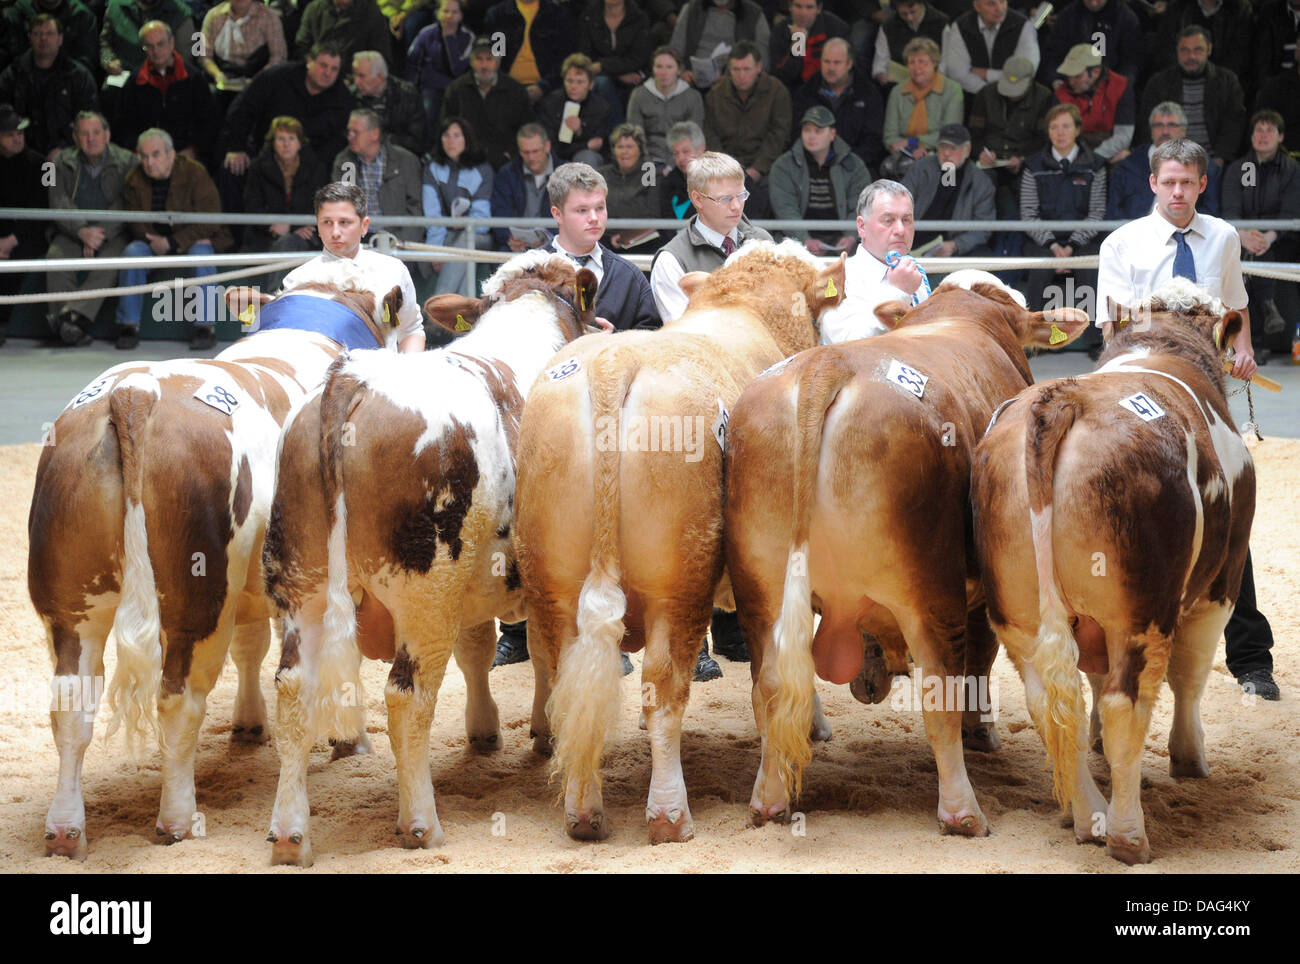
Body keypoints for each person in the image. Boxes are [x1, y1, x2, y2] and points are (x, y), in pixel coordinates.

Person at [1094, 137, 1278, 701]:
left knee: (1227, 503)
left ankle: (1251, 659)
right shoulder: (1122, 243)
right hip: (1141, 388)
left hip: (1205, 390)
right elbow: (1114, 328)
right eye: (1168, 182)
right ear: (1152, 183)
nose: (1178, 192)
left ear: (1202, 184)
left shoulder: (1221, 237)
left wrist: (1240, 346)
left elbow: (1235, 306)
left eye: (1188, 182)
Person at [227, 181, 426, 352]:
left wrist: (405, 374)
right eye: (327, 222)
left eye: (345, 222)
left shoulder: (392, 270)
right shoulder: (299, 279)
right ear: (318, 225)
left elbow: (411, 330)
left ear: (364, 225)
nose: (335, 232)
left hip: (378, 387)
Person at [117, 129, 235, 352]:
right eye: (144, 156)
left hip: (189, 239)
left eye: (156, 155)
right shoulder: (134, 178)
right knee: (132, 252)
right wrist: (153, 240)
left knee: (201, 255)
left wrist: (172, 242)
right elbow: (133, 221)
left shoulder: (195, 173)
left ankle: (205, 328)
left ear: (171, 155)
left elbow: (211, 219)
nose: (149, 162)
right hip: (151, 242)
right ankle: (128, 326)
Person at [44, 111, 136, 347]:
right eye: (83, 133)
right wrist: (82, 231)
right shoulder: (57, 163)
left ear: (107, 135)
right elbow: (57, 201)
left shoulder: (129, 161)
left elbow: (127, 202)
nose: (90, 139)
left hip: (113, 233)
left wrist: (98, 234)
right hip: (72, 231)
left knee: (116, 259)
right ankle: (68, 324)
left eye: (96, 133)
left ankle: (71, 317)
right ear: (75, 138)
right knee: (55, 257)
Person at [649, 149, 771, 321]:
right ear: (697, 199)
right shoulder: (671, 260)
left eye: (742, 195)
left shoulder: (763, 241)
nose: (736, 206)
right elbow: (684, 335)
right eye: (726, 199)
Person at [1221, 110, 1300, 362]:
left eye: (1269, 130)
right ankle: (1267, 309)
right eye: (1258, 130)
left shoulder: (1291, 169)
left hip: (1281, 239)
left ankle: (1253, 339)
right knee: (1242, 253)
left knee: (1258, 255)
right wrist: (1244, 235)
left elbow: (1291, 212)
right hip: (1242, 238)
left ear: (1281, 137)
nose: (1263, 135)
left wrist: (1267, 237)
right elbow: (1231, 209)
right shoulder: (1240, 168)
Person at [1020, 103, 1104, 324]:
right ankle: (1031, 336)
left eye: (1066, 126)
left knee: (1089, 265)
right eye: (1054, 127)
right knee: (1040, 266)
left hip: (1083, 241)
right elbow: (1028, 214)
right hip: (1043, 241)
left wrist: (1072, 247)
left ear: (1077, 129)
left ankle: (1095, 339)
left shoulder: (1095, 165)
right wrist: (1054, 247)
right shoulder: (1033, 165)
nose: (1060, 133)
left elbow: (1097, 213)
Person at [816, 178, 927, 344]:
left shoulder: (913, 270)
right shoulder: (836, 279)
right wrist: (899, 294)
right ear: (862, 227)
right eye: (888, 220)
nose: (900, 230)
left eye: (906, 220)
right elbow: (843, 347)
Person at [221, 42, 357, 178]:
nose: (328, 73)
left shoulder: (343, 99)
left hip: (313, 162)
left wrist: (309, 164)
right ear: (309, 62)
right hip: (265, 151)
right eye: (323, 65)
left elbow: (340, 139)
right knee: (231, 168)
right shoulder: (277, 77)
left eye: (334, 69)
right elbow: (244, 106)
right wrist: (236, 146)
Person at [1137, 26, 1246, 175]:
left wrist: (1220, 159)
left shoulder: (1227, 81)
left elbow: (1234, 124)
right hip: (1169, 162)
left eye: (1198, 50)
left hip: (1214, 162)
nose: (1191, 56)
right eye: (1185, 50)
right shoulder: (1159, 83)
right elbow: (1147, 127)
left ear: (1209, 49)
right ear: (1177, 51)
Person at [703, 41, 793, 218]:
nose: (741, 75)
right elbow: (710, 133)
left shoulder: (776, 91)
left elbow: (779, 135)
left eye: (746, 69)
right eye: (736, 70)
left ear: (758, 67)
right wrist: (726, 169)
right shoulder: (716, 94)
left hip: (765, 167)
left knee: (773, 187)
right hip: (725, 167)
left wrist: (757, 169)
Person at [242, 115, 331, 291]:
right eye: (281, 139)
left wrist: (290, 227)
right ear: (272, 142)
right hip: (265, 234)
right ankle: (277, 298)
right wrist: (273, 226)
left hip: (307, 233)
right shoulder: (258, 168)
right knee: (286, 242)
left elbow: (322, 206)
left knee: (290, 242)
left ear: (300, 142)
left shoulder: (315, 168)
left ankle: (275, 296)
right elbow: (252, 206)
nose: (286, 144)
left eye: (291, 139)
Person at [768, 105, 871, 255]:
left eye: (818, 131)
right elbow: (785, 209)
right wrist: (804, 239)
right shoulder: (783, 166)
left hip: (844, 239)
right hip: (797, 241)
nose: (811, 136)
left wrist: (850, 236)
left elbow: (861, 205)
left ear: (832, 134)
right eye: (807, 130)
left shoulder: (854, 165)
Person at [116, 21, 218, 164]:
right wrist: (137, 149)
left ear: (172, 43)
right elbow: (125, 124)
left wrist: (193, 149)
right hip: (147, 155)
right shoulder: (136, 81)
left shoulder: (193, 78)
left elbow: (208, 122)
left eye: (161, 44)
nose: (156, 51)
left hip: (185, 155)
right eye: (150, 46)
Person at [0, 13, 98, 159]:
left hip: (68, 153)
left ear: (60, 39)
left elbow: (90, 118)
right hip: (21, 152)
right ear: (30, 38)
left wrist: (65, 146)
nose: (43, 38)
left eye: (49, 33)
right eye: (37, 33)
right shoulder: (12, 74)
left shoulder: (78, 76)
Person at [332, 108, 425, 258]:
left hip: (397, 239)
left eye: (355, 132)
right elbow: (339, 206)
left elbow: (416, 206)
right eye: (349, 132)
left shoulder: (406, 161)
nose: (350, 137)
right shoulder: (343, 161)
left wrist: (402, 241)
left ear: (374, 134)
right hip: (358, 241)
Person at [969, 54, 1049, 222]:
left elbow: (1043, 139)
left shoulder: (1044, 98)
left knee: (1031, 187)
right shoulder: (985, 94)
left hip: (1025, 162)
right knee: (979, 184)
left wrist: (1023, 158)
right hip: (988, 162)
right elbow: (974, 133)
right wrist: (980, 152)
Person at [1108, 102, 1223, 220]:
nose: (1164, 131)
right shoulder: (1128, 166)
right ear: (1151, 131)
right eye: (1158, 125)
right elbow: (1113, 214)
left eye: (1172, 125)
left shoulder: (1204, 166)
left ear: (1184, 130)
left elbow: (1211, 212)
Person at [422, 115, 493, 295]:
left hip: (478, 236)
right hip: (447, 235)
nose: (450, 141)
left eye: (457, 136)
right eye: (446, 135)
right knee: (463, 259)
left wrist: (461, 223)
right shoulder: (433, 167)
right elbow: (432, 215)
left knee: (464, 241)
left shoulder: (482, 169)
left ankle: (438, 305)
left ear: (467, 139)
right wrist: (436, 251)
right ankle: (459, 319)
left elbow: (482, 222)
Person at [790, 36, 885, 170]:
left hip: (855, 167)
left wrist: (846, 163)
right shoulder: (806, 92)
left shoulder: (868, 93)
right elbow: (797, 134)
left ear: (849, 64)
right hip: (812, 166)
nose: (831, 68)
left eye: (837, 63)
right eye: (826, 62)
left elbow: (873, 140)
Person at [902, 121, 994, 257]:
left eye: (953, 148)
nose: (946, 153)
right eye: (943, 146)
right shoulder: (921, 169)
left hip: (953, 248)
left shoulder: (981, 183)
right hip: (911, 240)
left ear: (967, 150)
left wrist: (955, 245)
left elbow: (983, 229)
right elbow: (899, 205)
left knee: (983, 255)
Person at [439, 36, 534, 167]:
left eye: (489, 59)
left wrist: (510, 154)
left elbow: (526, 128)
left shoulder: (516, 91)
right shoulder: (456, 89)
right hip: (466, 160)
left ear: (498, 62)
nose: (484, 65)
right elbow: (445, 126)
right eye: (479, 59)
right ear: (471, 62)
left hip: (506, 162)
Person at [881, 36, 962, 179]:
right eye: (912, 62)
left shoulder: (952, 90)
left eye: (922, 62)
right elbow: (889, 136)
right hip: (905, 156)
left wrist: (916, 142)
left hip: (943, 153)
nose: (917, 68)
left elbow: (951, 134)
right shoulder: (897, 92)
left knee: (942, 173)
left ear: (935, 63)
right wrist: (910, 149)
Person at [0, 104, 47, 345]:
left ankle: (3, 323)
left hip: (26, 235)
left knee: (21, 257)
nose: (17, 138)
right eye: (10, 134)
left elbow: (42, 210)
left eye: (20, 133)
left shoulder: (42, 164)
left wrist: (10, 241)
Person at [1052, 42, 1134, 165]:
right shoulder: (1061, 94)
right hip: (1072, 152)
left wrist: (1095, 157)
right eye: (1069, 76)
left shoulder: (1120, 87)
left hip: (1109, 152)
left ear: (1095, 72)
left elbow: (1123, 136)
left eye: (1077, 76)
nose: (1071, 82)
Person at [939, 0, 1039, 97]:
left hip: (1016, 99)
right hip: (973, 99)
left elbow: (1026, 71)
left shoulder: (1023, 25)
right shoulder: (960, 26)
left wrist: (987, 74)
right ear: (977, 6)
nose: (999, 9)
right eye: (991, 4)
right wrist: (990, 94)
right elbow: (958, 73)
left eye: (1002, 2)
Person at [627, 47, 705, 168]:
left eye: (669, 67)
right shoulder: (639, 94)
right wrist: (648, 163)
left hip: (681, 159)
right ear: (653, 69)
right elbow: (635, 135)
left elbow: (694, 136)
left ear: (678, 70)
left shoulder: (693, 96)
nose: (664, 72)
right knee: (649, 184)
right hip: (647, 159)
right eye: (659, 67)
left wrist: (671, 165)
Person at [405, 0, 474, 135]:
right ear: (437, 14)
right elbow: (413, 63)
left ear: (461, 15)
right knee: (428, 112)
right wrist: (411, 89)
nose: (449, 16)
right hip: (431, 86)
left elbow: (457, 69)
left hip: (456, 88)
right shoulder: (426, 34)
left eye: (455, 12)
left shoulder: (468, 36)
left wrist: (449, 39)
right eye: (445, 11)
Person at [669, 0, 771, 90]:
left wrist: (734, 77)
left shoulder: (754, 14)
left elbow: (763, 61)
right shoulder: (691, 9)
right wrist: (681, 72)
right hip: (692, 82)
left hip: (735, 84)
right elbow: (674, 51)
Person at [576, 0, 654, 117]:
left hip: (632, 73)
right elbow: (586, 58)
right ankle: (616, 130)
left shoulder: (639, 18)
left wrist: (603, 66)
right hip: (600, 75)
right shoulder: (588, 16)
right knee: (602, 83)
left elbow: (638, 58)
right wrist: (616, 75)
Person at [482, 0, 572, 101]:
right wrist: (505, 85)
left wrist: (543, 87)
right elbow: (495, 57)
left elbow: (563, 58)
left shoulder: (556, 14)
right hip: (506, 89)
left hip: (548, 91)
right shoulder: (498, 15)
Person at [1038, 0, 1141, 87]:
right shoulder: (1068, 16)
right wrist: (1055, 79)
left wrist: (1116, 86)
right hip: (1071, 84)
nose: (1093, 3)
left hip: (1109, 88)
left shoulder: (1126, 19)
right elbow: (1052, 54)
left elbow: (1131, 62)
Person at [491, 123, 561, 250]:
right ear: (519, 151)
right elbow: (499, 213)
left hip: (555, 247)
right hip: (516, 246)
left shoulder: (565, 174)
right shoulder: (507, 174)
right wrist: (509, 239)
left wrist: (551, 241)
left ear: (547, 146)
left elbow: (571, 216)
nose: (531, 157)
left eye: (535, 151)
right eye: (525, 152)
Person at [598, 123, 665, 254]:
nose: (624, 152)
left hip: (642, 242)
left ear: (640, 149)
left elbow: (653, 215)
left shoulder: (649, 172)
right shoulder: (602, 174)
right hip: (604, 239)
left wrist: (625, 237)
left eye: (629, 147)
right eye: (620, 147)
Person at [537, 53, 614, 166]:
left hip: (586, 157)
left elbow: (601, 146)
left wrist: (580, 131)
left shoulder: (601, 107)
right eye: (570, 81)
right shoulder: (550, 103)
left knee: (586, 157)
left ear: (591, 84)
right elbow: (549, 146)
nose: (573, 86)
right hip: (555, 155)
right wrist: (586, 144)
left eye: (580, 82)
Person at [197, 0, 289, 89]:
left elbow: (279, 56)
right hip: (222, 78)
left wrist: (260, 79)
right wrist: (217, 74)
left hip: (260, 80)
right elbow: (204, 55)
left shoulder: (269, 17)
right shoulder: (213, 16)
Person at [350, 50, 428, 155]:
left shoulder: (408, 95)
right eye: (354, 75)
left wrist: (379, 140)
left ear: (380, 76)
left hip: (399, 158)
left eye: (361, 76)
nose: (356, 82)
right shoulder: (351, 95)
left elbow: (417, 141)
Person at [100, 0, 196, 83]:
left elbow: (184, 58)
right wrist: (109, 61)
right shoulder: (116, 6)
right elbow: (105, 43)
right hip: (123, 76)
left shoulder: (181, 14)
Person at [768, 0, 850, 89]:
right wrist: (798, 43)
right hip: (794, 91)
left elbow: (845, 71)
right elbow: (782, 77)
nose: (803, 13)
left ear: (818, 9)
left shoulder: (836, 28)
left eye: (809, 7)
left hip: (829, 88)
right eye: (798, 6)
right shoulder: (779, 31)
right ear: (790, 6)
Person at [0, 0, 98, 73]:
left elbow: (85, 61)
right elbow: (11, 58)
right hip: (25, 82)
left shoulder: (82, 15)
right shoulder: (16, 13)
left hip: (68, 83)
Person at [873, 0, 948, 88]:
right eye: (904, 14)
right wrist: (881, 75)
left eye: (913, 12)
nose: (910, 18)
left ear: (921, 4)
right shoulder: (888, 26)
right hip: (901, 84)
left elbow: (947, 60)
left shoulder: (941, 22)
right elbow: (880, 61)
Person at [295, 0, 392, 68]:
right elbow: (302, 46)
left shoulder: (372, 14)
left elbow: (380, 56)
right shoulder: (314, 9)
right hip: (317, 76)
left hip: (353, 82)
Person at [660, 119, 705, 219]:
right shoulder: (668, 184)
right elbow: (665, 224)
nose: (680, 158)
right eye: (676, 153)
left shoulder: (721, 180)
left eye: (686, 151)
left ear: (701, 150)